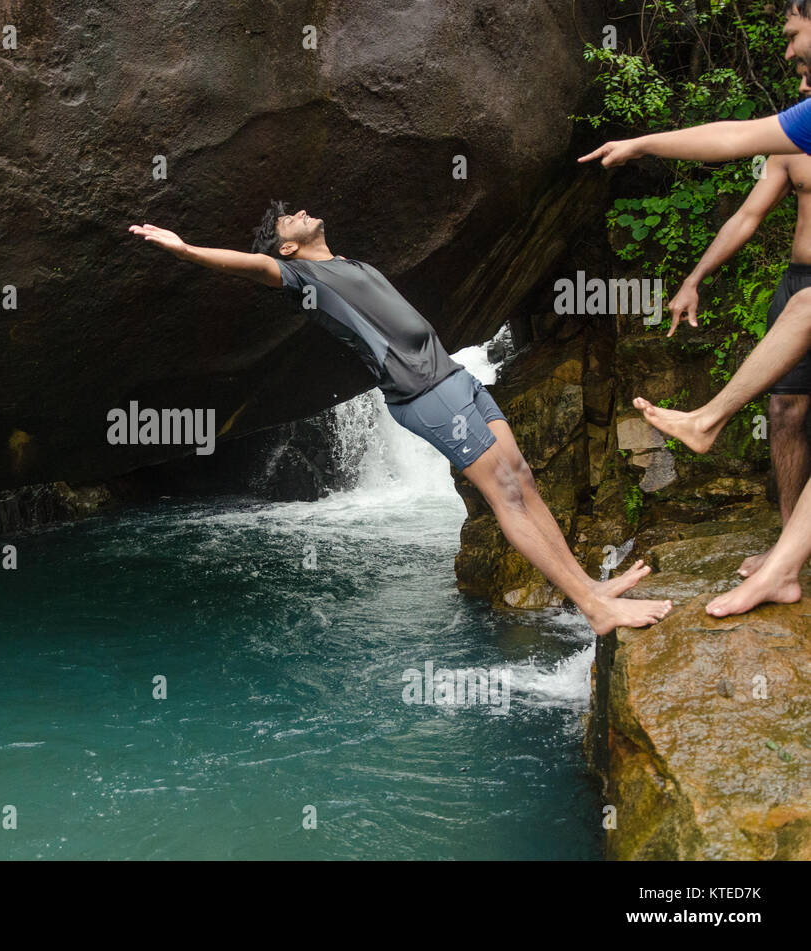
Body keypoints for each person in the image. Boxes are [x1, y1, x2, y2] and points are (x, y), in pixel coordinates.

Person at [127, 205, 673, 635]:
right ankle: (591, 607)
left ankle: (590, 588)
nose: (299, 212)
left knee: (523, 478)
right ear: (287, 247)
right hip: (424, 393)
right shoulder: (301, 279)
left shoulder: (350, 265)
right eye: (286, 220)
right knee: (506, 492)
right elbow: (250, 266)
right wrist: (186, 250)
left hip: (454, 377)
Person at [578, 0, 811, 615]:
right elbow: (734, 141)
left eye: (792, 36)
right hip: (804, 282)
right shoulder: (803, 130)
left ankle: (708, 423)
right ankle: (785, 561)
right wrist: (643, 143)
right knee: (793, 379)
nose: (788, 54)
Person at [665, 150, 811, 579]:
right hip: (798, 283)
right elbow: (747, 216)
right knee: (784, 411)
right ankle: (787, 545)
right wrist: (694, 278)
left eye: (810, 79)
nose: (804, 89)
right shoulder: (792, 145)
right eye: (802, 79)